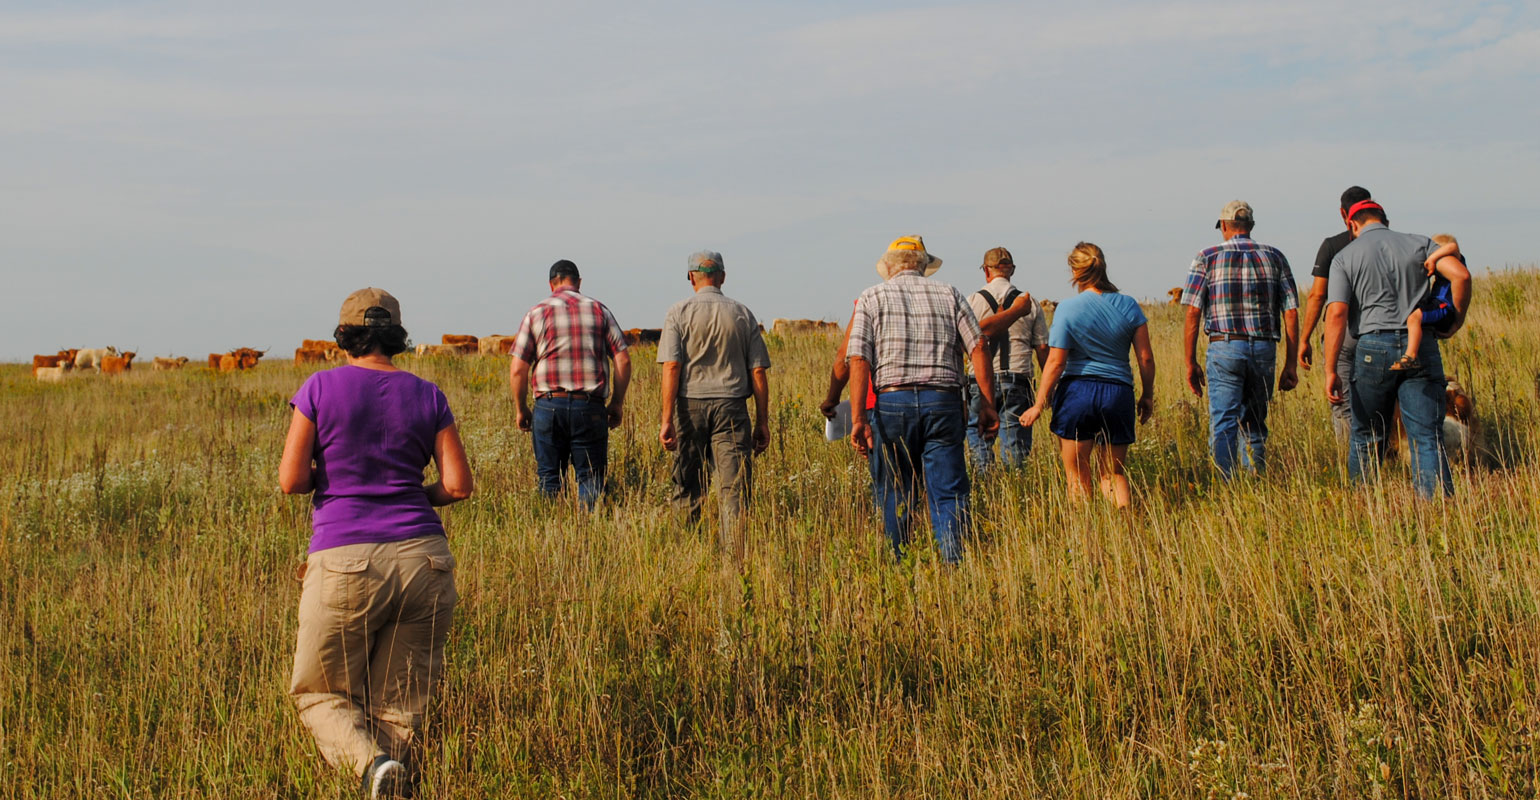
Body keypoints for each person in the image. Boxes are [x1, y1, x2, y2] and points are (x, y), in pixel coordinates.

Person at [279, 288, 473, 799]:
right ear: (395, 337)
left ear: (344, 336)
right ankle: (390, 777)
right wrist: (413, 492)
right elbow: (457, 485)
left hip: (345, 559)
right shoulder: (429, 394)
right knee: (400, 705)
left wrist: (333, 476)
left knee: (321, 692)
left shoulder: (319, 388)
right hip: (425, 560)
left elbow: (291, 479)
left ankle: (369, 768)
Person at [847, 236, 998, 564]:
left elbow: (858, 359)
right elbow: (978, 347)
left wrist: (858, 419)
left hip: (891, 403)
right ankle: (953, 566)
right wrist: (987, 403)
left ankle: (900, 565)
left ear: (888, 267)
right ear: (924, 265)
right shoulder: (949, 293)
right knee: (948, 492)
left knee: (897, 491)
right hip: (943, 401)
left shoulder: (871, 297)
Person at [1324, 200, 1471, 498]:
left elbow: (1337, 313)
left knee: (1366, 434)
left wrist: (1330, 370)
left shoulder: (1344, 257)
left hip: (1372, 346)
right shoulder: (1420, 244)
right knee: (1427, 436)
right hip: (1421, 346)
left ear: (1352, 225)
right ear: (1385, 220)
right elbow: (1461, 276)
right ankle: (1436, 508)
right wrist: (1456, 320)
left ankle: (1363, 504)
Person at [1019, 243, 1155, 508]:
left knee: (1077, 477)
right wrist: (1147, 395)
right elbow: (1145, 358)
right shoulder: (1129, 306)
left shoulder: (1068, 309)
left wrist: (1039, 403)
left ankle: (1086, 538)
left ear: (1074, 270)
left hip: (1077, 394)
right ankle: (1126, 528)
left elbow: (1056, 362)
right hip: (1118, 392)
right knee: (1113, 473)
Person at [658, 250, 771, 565]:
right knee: (734, 486)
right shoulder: (742, 314)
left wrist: (667, 419)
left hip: (689, 406)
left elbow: (671, 367)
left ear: (691, 277)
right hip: (732, 406)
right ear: (722, 276)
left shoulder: (678, 312)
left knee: (687, 483)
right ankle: (735, 560)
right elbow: (758, 371)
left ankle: (689, 555)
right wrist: (762, 422)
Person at [1180, 201, 1301, 477]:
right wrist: (1290, 364)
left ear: (1223, 226)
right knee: (1255, 423)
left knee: (1223, 422)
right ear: (1251, 227)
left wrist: (1190, 362)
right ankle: (1255, 481)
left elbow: (1192, 312)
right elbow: (1291, 312)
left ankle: (1225, 485)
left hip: (1224, 345)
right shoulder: (1275, 256)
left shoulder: (1207, 256)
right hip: (1263, 347)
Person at [509, 259, 632, 508]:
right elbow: (623, 359)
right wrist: (617, 403)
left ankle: (550, 532)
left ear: (551, 284)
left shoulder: (535, 313)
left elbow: (518, 369)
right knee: (591, 478)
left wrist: (521, 408)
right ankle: (590, 533)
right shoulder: (599, 310)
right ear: (578, 282)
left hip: (548, 406)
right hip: (590, 407)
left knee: (549, 478)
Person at [966, 246, 1050, 469]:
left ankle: (985, 485)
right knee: (1015, 446)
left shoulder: (973, 300)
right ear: (1011, 270)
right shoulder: (1029, 302)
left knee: (979, 438)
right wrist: (1049, 387)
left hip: (979, 381)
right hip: (1018, 377)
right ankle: (1015, 488)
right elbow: (1042, 347)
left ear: (986, 271)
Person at [1299, 186, 1372, 437]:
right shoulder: (1386, 243)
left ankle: (1352, 463)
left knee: (1342, 403)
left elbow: (1318, 295)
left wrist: (1305, 338)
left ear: (1343, 213)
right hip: (1379, 330)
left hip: (1341, 334)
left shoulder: (1332, 246)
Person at [1391, 234, 1464, 370]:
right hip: (1439, 304)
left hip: (1444, 307)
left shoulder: (1456, 259)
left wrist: (1433, 257)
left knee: (1414, 318)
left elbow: (1452, 247)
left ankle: (1411, 356)